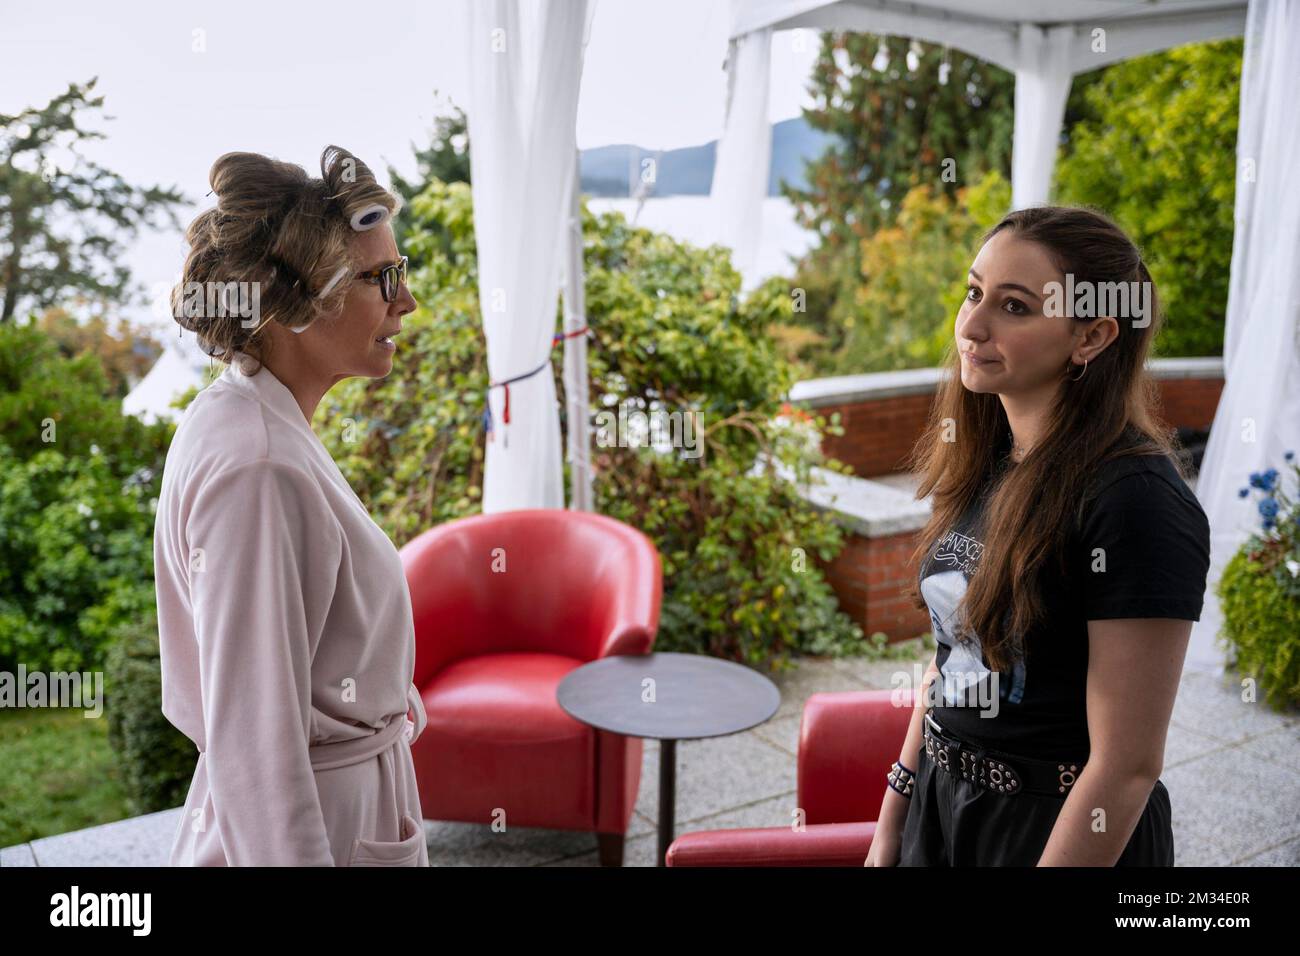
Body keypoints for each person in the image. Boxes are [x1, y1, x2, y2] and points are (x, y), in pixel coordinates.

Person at [864, 206, 1210, 867]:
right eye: (974, 293)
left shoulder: (1136, 503)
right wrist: (893, 819)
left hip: (1051, 832)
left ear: (1092, 336)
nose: (971, 325)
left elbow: (1125, 767)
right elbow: (950, 661)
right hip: (941, 808)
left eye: (1014, 306)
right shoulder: (988, 458)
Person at [155, 145, 428, 865]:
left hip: (348, 796)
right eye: (382, 278)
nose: (406, 301)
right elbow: (255, 750)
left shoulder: (253, 421)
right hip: (320, 826)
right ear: (295, 302)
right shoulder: (260, 468)